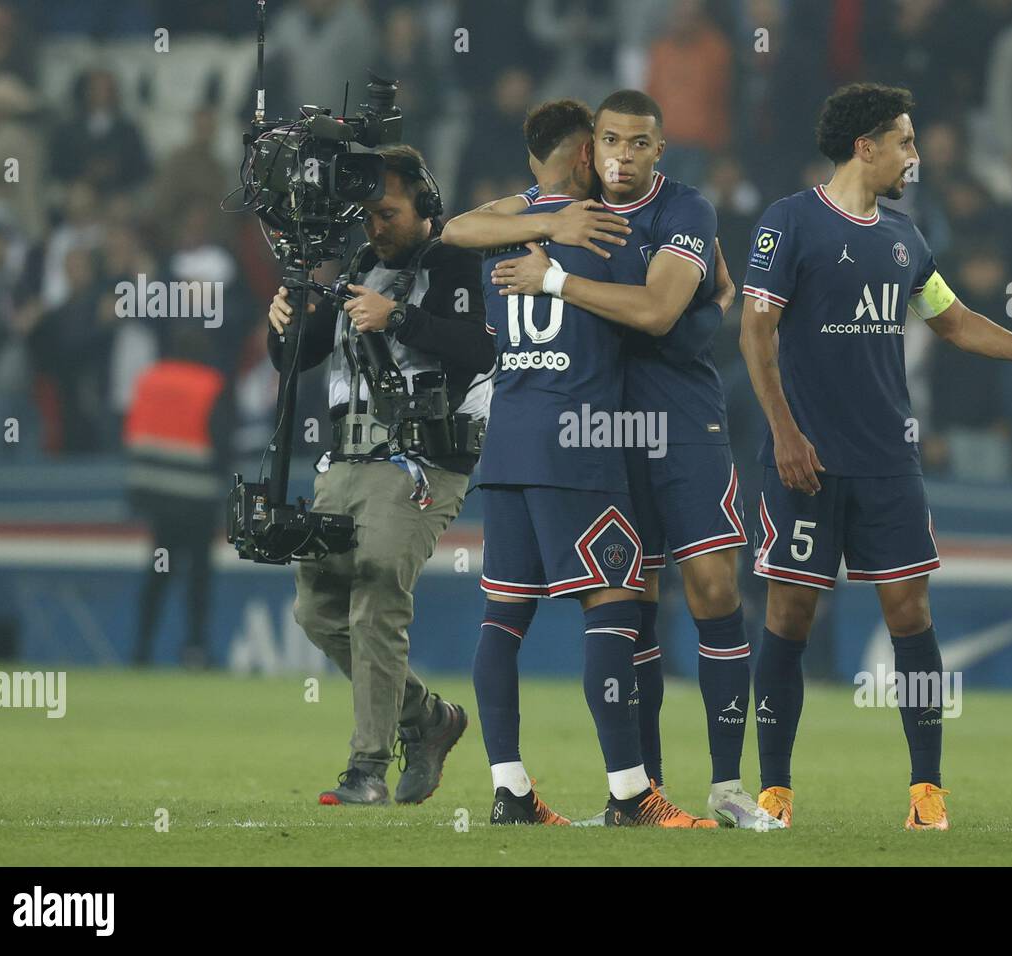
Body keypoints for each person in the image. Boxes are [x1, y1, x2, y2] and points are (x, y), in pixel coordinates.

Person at [738, 82, 1012, 829]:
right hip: (807, 460)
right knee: (788, 616)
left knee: (911, 613)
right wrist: (784, 430)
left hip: (887, 460)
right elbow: (756, 334)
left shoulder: (905, 239)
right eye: (906, 143)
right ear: (866, 146)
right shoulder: (789, 224)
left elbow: (955, 321)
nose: (916, 158)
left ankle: (927, 793)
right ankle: (775, 791)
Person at [466, 90, 775, 829]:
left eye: (638, 144)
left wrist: (553, 277)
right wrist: (545, 228)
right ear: (589, 149)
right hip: (600, 431)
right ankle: (642, 788)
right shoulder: (568, 211)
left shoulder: (685, 210)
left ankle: (728, 786)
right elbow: (456, 225)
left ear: (658, 150)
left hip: (680, 423)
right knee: (629, 608)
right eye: (610, 141)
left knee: (712, 590)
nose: (621, 156)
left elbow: (661, 312)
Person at [266, 145, 494, 806]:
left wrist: (399, 317)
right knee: (316, 608)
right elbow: (298, 359)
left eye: (387, 212)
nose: (374, 226)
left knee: (373, 597)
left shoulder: (454, 260)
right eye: (365, 214)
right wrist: (282, 323)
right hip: (348, 459)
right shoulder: (360, 266)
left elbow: (479, 348)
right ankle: (427, 719)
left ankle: (366, 768)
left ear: (425, 206)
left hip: (423, 458)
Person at [124, 327, 230, 668]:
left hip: (158, 499)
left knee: (157, 575)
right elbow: (223, 445)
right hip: (197, 500)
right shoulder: (211, 384)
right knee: (197, 578)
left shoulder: (150, 380)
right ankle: (195, 650)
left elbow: (132, 432)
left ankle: (141, 649)